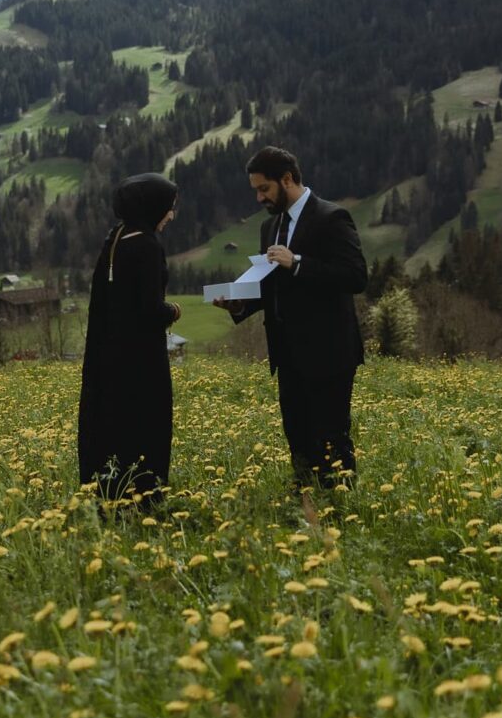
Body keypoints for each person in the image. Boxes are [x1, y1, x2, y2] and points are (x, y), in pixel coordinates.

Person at [215, 146, 367, 492]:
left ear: (287, 179)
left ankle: (342, 505)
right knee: (297, 434)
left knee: (331, 436)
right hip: (288, 353)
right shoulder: (271, 227)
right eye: (255, 190)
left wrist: (298, 263)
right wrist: (238, 305)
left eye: (264, 189)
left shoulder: (332, 217)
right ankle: (306, 501)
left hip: (329, 351)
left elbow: (355, 277)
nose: (259, 197)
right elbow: (273, 288)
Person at [78, 172, 182, 507]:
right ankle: (144, 498)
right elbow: (150, 309)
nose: (171, 216)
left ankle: (110, 492)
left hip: (110, 356)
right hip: (142, 360)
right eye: (169, 208)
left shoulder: (117, 238)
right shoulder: (147, 245)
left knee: (114, 426)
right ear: (153, 207)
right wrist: (174, 311)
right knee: (145, 426)